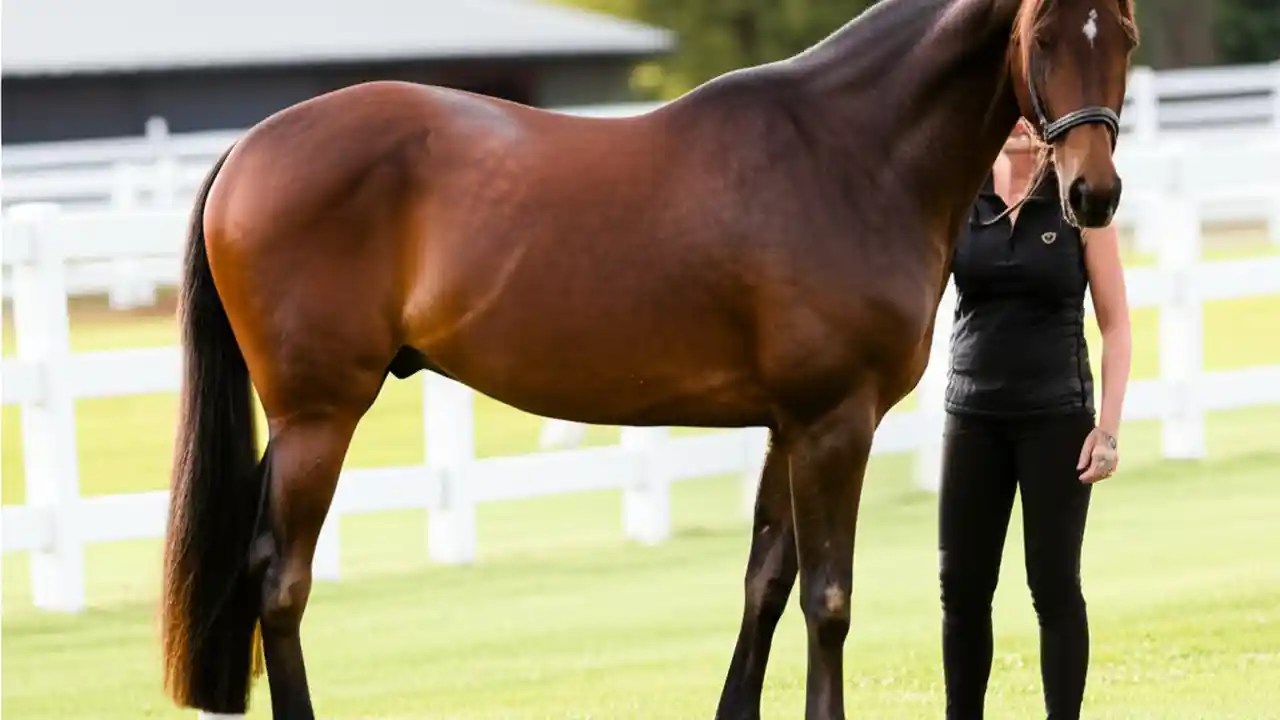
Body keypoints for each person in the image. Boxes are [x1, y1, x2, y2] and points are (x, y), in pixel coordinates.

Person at [938, 122, 1133, 720]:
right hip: (971, 415)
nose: (1020, 123)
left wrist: (1108, 429)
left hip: (1057, 419)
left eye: (1031, 113)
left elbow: (1116, 325)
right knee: (963, 594)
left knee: (1053, 588)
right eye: (1011, 110)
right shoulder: (961, 191)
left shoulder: (1076, 198)